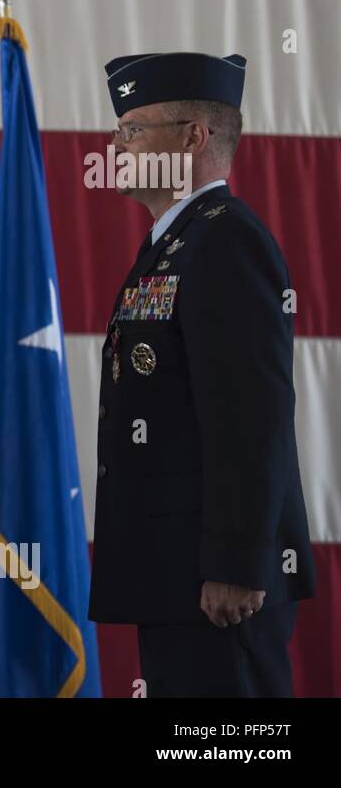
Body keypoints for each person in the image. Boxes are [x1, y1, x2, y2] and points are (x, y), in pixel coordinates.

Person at [88, 51, 316, 697]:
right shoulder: (175, 240)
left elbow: (253, 417)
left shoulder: (224, 239)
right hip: (176, 564)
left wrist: (238, 562)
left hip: (219, 576)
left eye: (132, 128)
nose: (115, 144)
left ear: (194, 135)